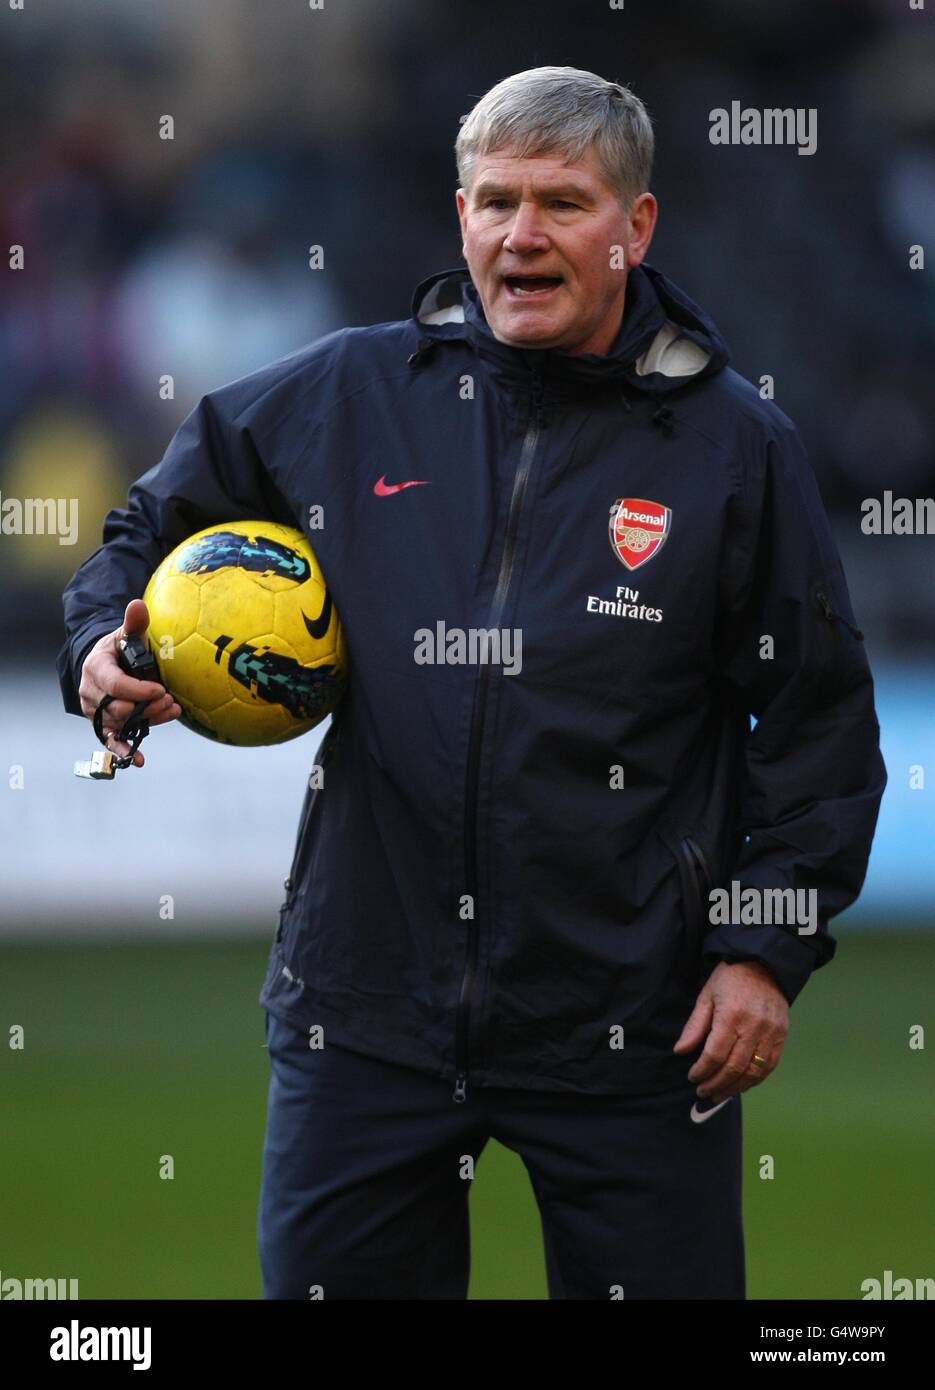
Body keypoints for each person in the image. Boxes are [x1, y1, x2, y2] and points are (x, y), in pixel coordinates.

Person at [57, 66, 886, 1300]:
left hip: (632, 1025)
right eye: (495, 201)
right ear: (460, 219)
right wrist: (99, 650)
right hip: (365, 1009)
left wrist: (761, 950)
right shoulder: (347, 392)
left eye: (561, 201)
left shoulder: (732, 447)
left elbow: (816, 727)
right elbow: (141, 530)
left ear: (634, 228)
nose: (522, 234)